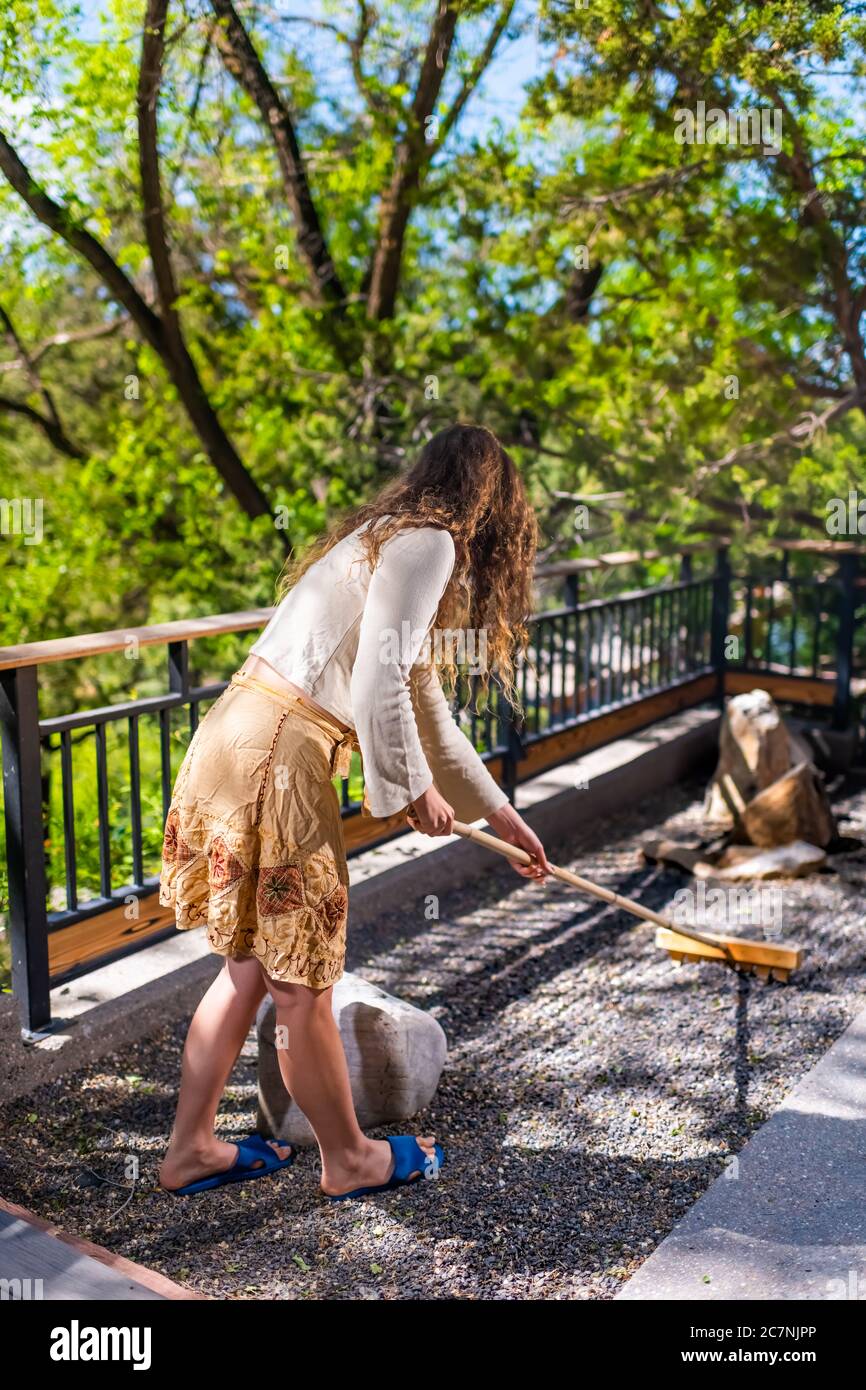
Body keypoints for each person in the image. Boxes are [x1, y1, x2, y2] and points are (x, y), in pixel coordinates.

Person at [158, 422, 550, 1200]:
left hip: (236, 734)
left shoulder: (388, 539)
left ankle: (188, 1151)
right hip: (281, 755)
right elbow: (376, 687)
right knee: (302, 981)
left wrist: (501, 817)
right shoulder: (430, 545)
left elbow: (418, 701)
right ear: (491, 502)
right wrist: (410, 795)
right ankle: (351, 1160)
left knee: (248, 968)